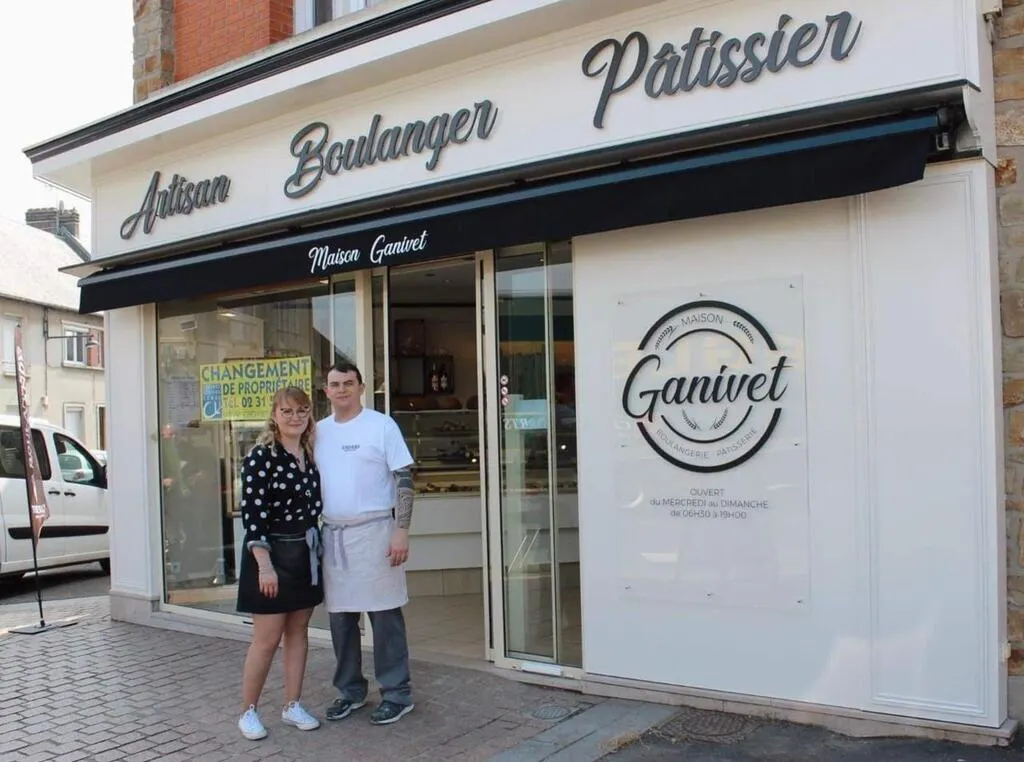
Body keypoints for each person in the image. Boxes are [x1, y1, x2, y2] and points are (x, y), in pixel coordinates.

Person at [315, 360, 416, 726]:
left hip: (376, 533)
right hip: (335, 536)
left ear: (360, 387)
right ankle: (350, 691)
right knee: (341, 620)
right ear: (326, 390)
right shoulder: (318, 432)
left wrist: (401, 530)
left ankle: (397, 693)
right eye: (335, 384)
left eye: (348, 383)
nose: (341, 389)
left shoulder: (381, 425)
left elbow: (404, 478)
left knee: (385, 616)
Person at [235, 386, 324, 741]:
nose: (295, 417)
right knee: (267, 639)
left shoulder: (309, 455)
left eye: (301, 410)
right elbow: (253, 517)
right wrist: (265, 566)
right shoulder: (261, 457)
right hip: (271, 556)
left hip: (305, 554)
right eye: (287, 411)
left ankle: (292, 704)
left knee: (298, 632)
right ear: (274, 415)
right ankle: (248, 711)